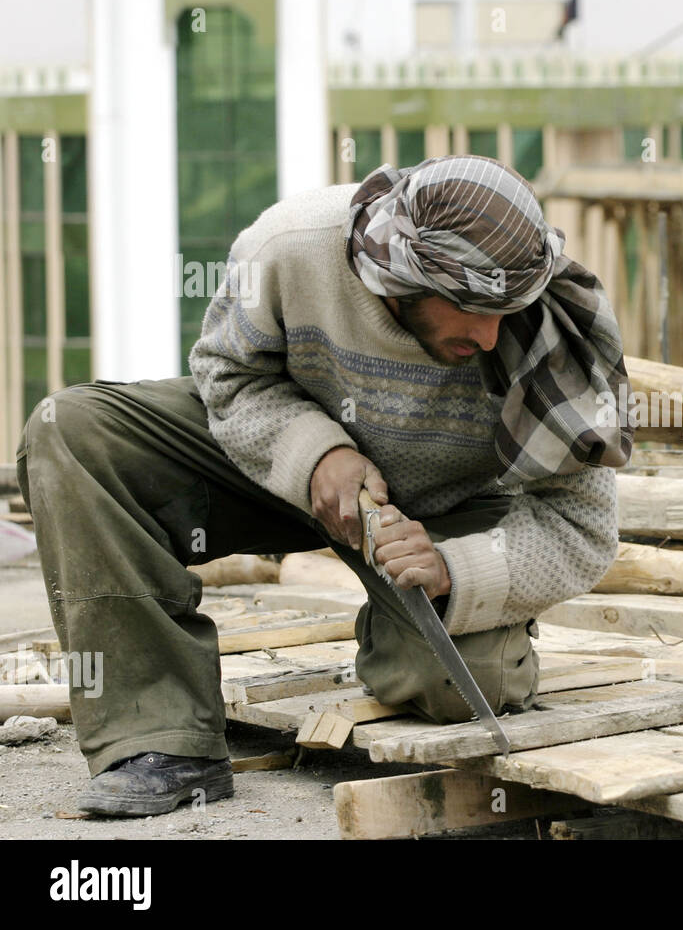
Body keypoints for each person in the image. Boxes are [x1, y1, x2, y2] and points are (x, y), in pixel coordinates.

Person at [16, 155, 633, 817]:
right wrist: (315, 454)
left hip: (444, 511)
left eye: (504, 313)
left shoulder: (550, 316)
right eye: (469, 310)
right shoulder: (290, 247)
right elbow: (227, 377)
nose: (488, 335)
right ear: (400, 278)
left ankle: (401, 638)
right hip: (277, 470)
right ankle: (159, 740)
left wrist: (453, 568)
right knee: (73, 431)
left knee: (457, 685)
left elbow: (583, 527)